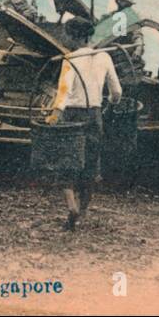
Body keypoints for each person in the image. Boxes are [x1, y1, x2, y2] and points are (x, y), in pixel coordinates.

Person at [53, 19, 121, 230]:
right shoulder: (104, 56)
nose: (64, 38)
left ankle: (71, 206)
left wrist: (55, 114)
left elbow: (63, 92)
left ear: (74, 36)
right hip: (94, 113)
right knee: (90, 163)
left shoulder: (70, 59)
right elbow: (116, 92)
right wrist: (108, 104)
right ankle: (82, 212)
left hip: (73, 115)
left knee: (67, 161)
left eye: (66, 34)